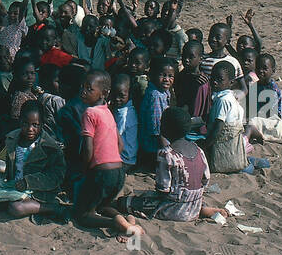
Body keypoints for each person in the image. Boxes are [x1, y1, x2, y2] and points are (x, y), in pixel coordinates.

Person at [120, 107, 223, 222]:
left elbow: (163, 189)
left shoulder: (166, 154)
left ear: (164, 129)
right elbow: (205, 180)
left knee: (124, 202)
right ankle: (204, 210)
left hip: (173, 209)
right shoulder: (198, 150)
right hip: (195, 204)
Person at [71, 70, 141, 239]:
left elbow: (88, 149)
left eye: (89, 89)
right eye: (82, 87)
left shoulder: (89, 113)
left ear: (104, 93)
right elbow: (121, 145)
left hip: (102, 173)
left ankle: (114, 224)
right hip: (119, 172)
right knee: (101, 206)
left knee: (82, 215)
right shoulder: (108, 112)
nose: (83, 91)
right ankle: (126, 219)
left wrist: (85, 169)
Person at [0, 101, 67, 220]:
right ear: (20, 121)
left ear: (42, 124)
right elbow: (10, 167)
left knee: (16, 208)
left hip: (39, 191)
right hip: (15, 187)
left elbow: (56, 176)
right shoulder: (13, 139)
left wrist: (28, 182)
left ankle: (52, 208)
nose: (30, 129)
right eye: (25, 123)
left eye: (35, 125)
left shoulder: (50, 147)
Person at [138, 55, 176, 169]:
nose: (166, 79)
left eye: (170, 76)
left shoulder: (164, 91)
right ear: (153, 75)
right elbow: (155, 125)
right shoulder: (156, 95)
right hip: (153, 142)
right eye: (162, 75)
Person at [108, 72, 139, 168]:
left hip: (125, 158)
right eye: (114, 94)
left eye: (121, 96)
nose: (117, 99)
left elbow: (116, 138)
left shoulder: (125, 114)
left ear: (129, 94)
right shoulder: (123, 108)